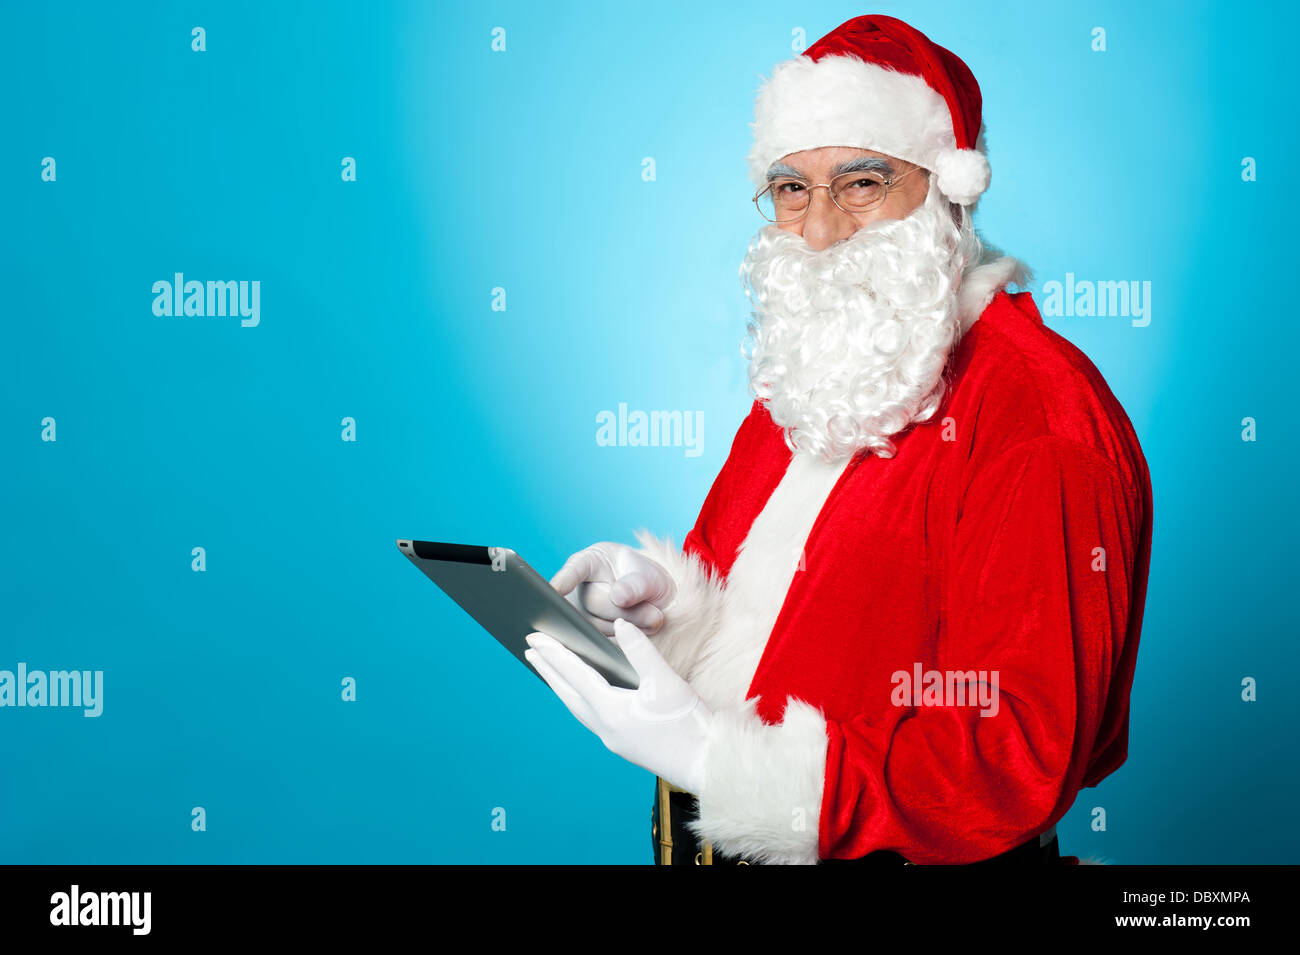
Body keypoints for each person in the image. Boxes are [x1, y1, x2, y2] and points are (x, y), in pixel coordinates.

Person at [523, 13, 1153, 866]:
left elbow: (1016, 753)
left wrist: (715, 759)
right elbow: (773, 617)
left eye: (861, 182)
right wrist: (663, 603)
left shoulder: (1036, 414)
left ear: (946, 191)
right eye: (792, 188)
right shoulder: (813, 374)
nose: (819, 232)